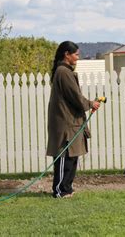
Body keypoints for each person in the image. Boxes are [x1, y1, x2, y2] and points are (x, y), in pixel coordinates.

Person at [46, 41, 100, 198]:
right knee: (64, 157)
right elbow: (75, 97)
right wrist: (90, 104)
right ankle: (60, 191)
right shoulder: (63, 72)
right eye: (76, 54)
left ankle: (67, 189)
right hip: (65, 123)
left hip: (71, 122)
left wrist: (90, 104)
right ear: (66, 54)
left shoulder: (65, 71)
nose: (78, 57)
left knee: (72, 157)